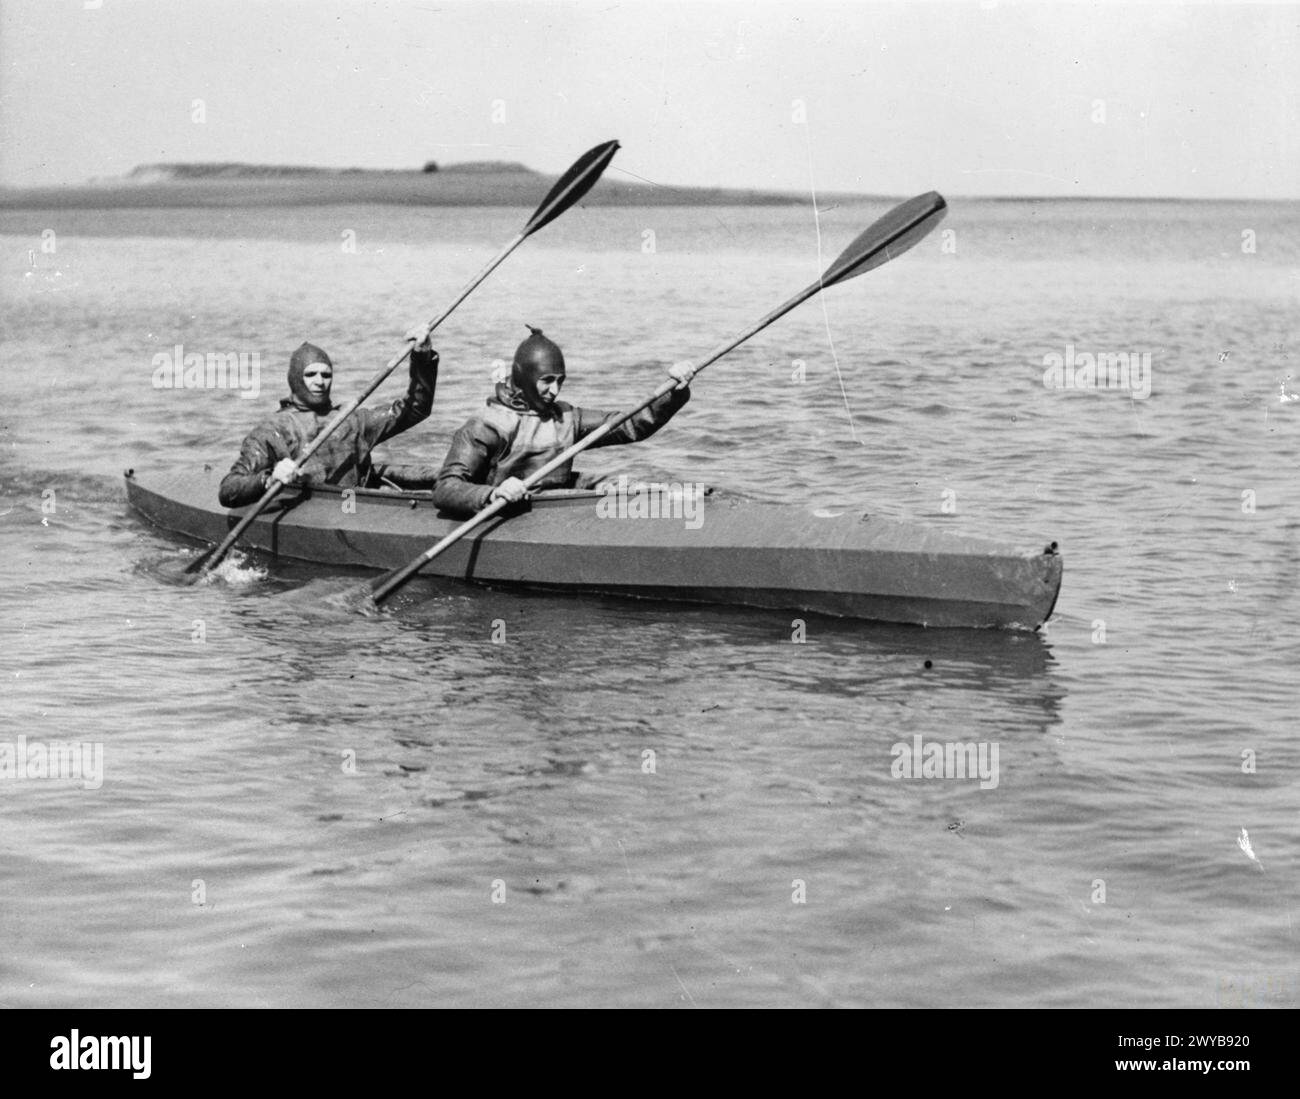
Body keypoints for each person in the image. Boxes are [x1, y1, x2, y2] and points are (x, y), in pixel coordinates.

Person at [432, 326, 694, 517]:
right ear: (524, 377)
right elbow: (446, 488)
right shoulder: (486, 425)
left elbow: (631, 426)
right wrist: (492, 494)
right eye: (547, 380)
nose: (555, 390)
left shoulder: (567, 418)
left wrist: (674, 391)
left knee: (621, 483)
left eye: (560, 381)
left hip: (551, 504)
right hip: (497, 508)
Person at [218, 331, 440, 507]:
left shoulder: (352, 419)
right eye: (311, 375)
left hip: (353, 505)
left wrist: (423, 356)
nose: (320, 382)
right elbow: (228, 489)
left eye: (326, 375)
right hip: (311, 509)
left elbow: (416, 409)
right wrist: (268, 478)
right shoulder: (273, 430)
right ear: (295, 379)